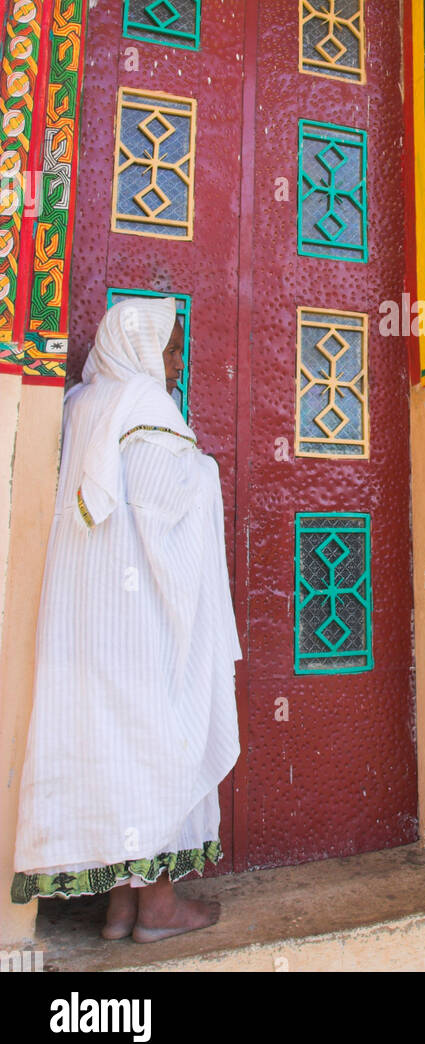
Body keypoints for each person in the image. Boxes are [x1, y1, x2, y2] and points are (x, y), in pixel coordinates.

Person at [11, 297, 242, 943]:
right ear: (141, 349)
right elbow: (165, 497)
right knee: (158, 741)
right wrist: (207, 469)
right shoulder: (144, 403)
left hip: (85, 620)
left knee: (109, 749)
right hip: (141, 619)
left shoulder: (82, 403)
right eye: (171, 349)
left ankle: (119, 908)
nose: (176, 365)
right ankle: (160, 907)